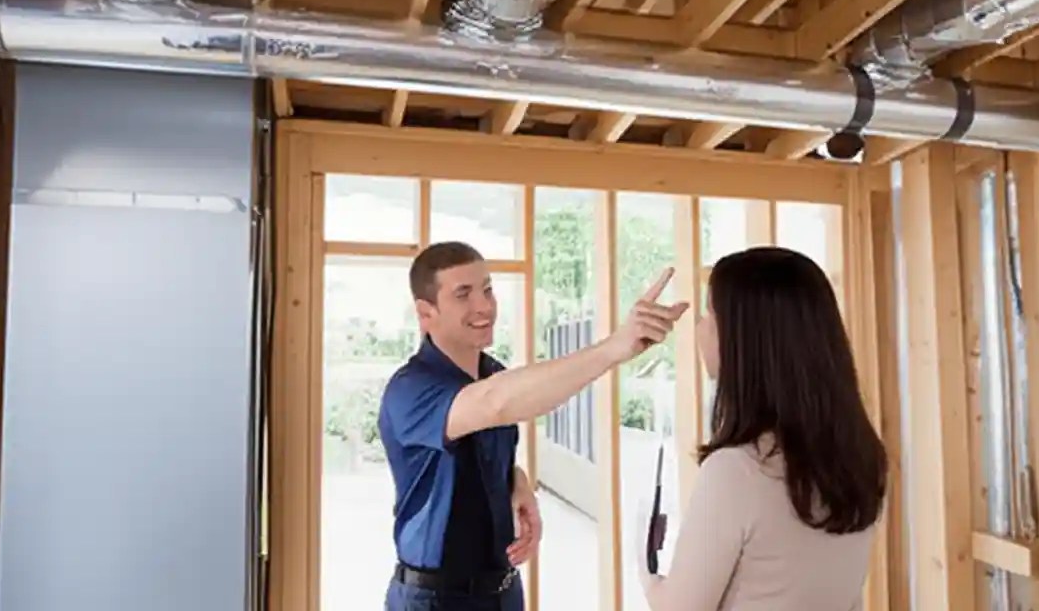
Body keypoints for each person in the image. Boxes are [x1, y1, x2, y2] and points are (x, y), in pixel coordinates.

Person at [379, 241, 688, 611]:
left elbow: (488, 434)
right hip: (434, 599)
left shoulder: (494, 373)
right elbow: (493, 404)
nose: (485, 306)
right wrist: (612, 348)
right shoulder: (411, 388)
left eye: (488, 290)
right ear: (426, 313)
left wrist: (515, 480)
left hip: (504, 590)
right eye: (464, 294)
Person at [632, 246, 887, 611]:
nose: (701, 327)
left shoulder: (736, 471)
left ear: (746, 339)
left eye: (710, 313)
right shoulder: (863, 458)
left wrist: (648, 575)